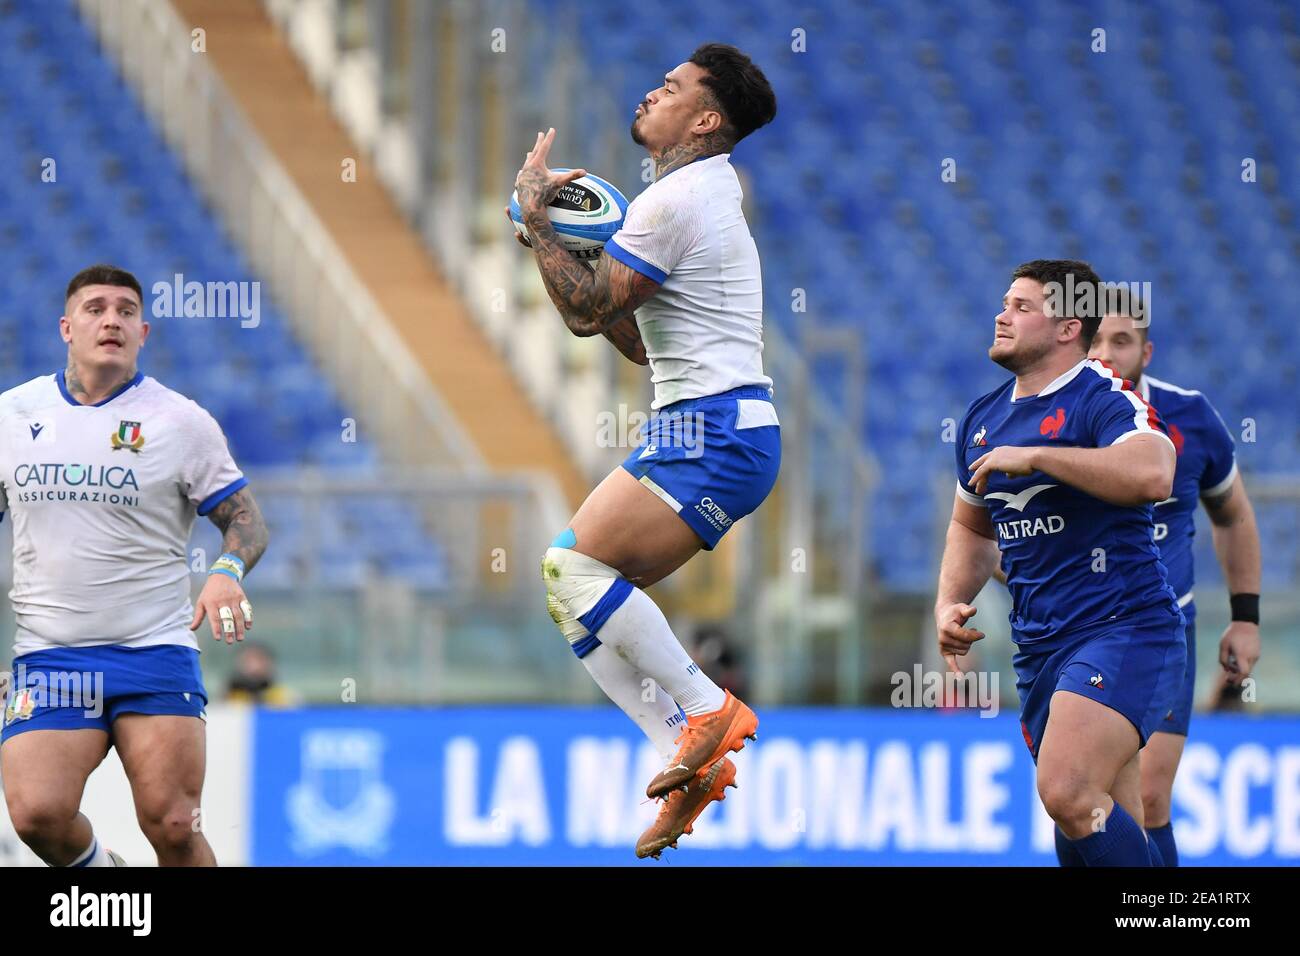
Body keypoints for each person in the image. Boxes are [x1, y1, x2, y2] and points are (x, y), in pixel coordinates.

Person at [510, 44, 778, 858]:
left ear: (705, 119)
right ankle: (685, 753)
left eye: (673, 88)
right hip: (705, 428)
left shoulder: (677, 201)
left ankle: (707, 710)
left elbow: (588, 313)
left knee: (570, 570)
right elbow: (630, 340)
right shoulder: (684, 195)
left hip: (715, 429)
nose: (651, 92)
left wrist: (538, 218)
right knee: (575, 588)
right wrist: (559, 250)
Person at [0, 264, 269, 866]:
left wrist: (227, 572)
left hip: (154, 650)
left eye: (125, 310)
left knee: (174, 824)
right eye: (95, 308)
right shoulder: (11, 418)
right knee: (37, 815)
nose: (111, 320)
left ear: (143, 332)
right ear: (66, 328)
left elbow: (246, 521)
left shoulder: (181, 422)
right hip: (50, 656)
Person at [935, 259, 1182, 866]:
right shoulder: (981, 419)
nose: (1002, 315)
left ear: (1070, 326)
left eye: (1021, 306)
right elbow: (971, 525)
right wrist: (949, 601)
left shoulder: (1103, 400)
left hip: (1125, 631)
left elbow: (1154, 472)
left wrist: (1040, 457)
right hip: (1042, 648)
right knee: (1087, 818)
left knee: (1068, 792)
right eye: (1004, 302)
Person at [1087, 305, 1261, 866]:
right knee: (1083, 799)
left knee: (1150, 796)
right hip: (1078, 633)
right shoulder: (1055, 419)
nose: (1106, 353)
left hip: (1162, 630)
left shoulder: (1190, 418)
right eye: (1095, 341)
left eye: (1121, 340)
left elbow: (1233, 517)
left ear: (1147, 352)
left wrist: (1246, 616)